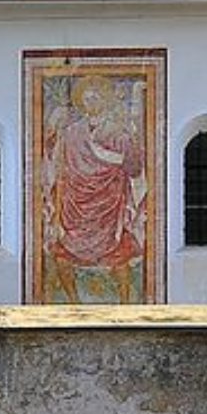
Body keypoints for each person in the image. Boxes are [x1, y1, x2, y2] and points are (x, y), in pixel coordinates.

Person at [42, 73, 147, 302]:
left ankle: (126, 304)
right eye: (87, 99)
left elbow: (135, 167)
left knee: (118, 256)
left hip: (109, 206)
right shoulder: (71, 132)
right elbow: (57, 164)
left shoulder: (117, 132)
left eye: (96, 98)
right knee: (63, 256)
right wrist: (53, 133)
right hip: (75, 206)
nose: (91, 103)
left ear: (105, 101)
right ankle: (73, 303)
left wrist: (111, 157)